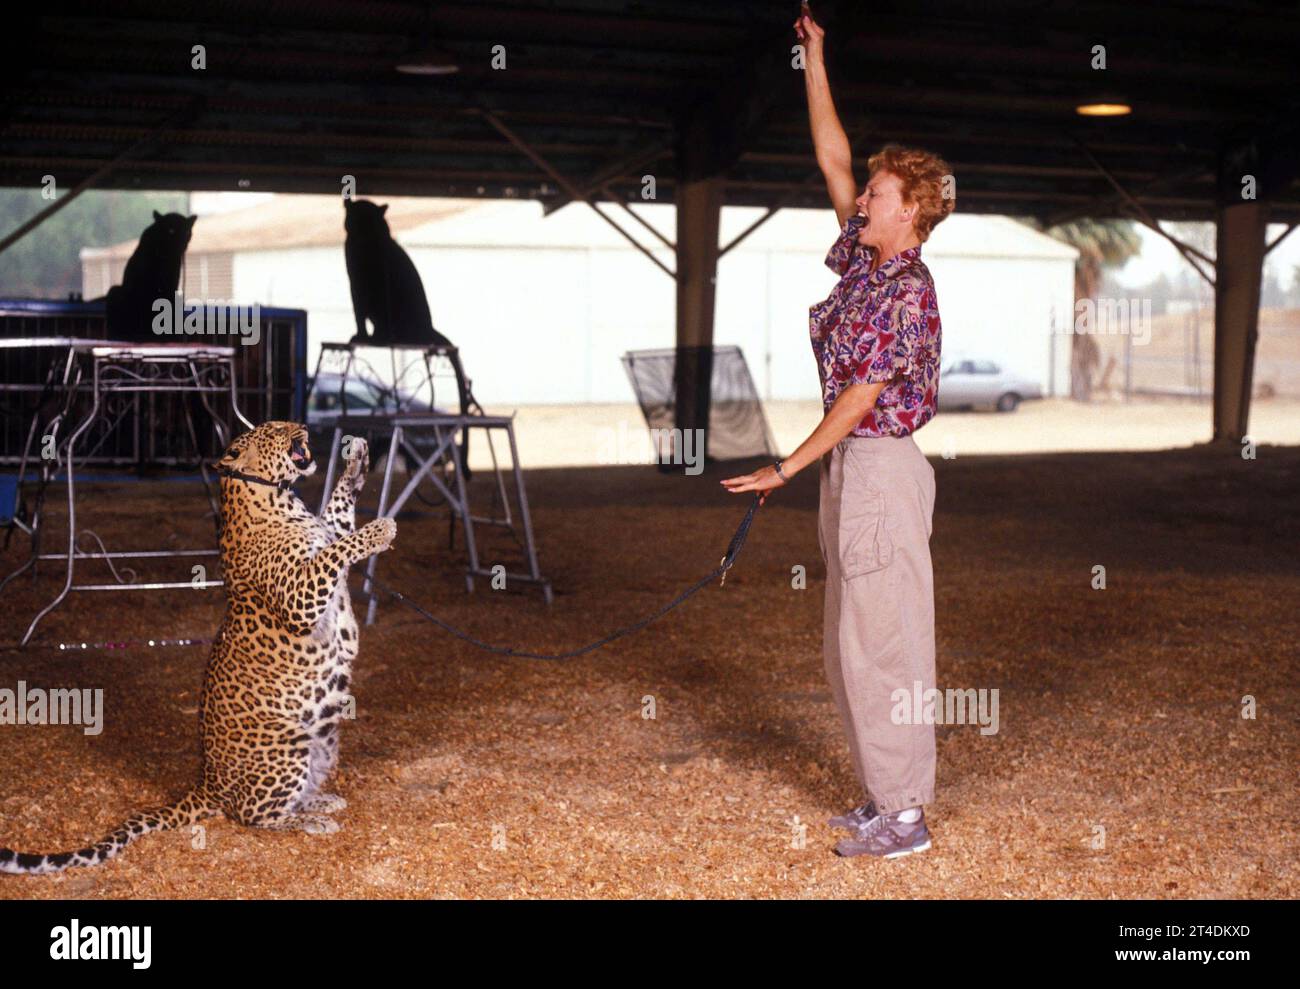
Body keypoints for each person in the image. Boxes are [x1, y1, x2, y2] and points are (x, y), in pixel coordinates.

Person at [721, 8, 954, 859]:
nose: (862, 198)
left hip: (880, 464)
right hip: (851, 468)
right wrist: (813, 58)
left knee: (885, 640)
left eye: (879, 195)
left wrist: (786, 465)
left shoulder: (908, 289)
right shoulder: (865, 258)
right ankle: (880, 794)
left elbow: (862, 397)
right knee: (849, 642)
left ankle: (906, 816)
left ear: (912, 214)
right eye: (868, 190)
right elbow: (831, 154)